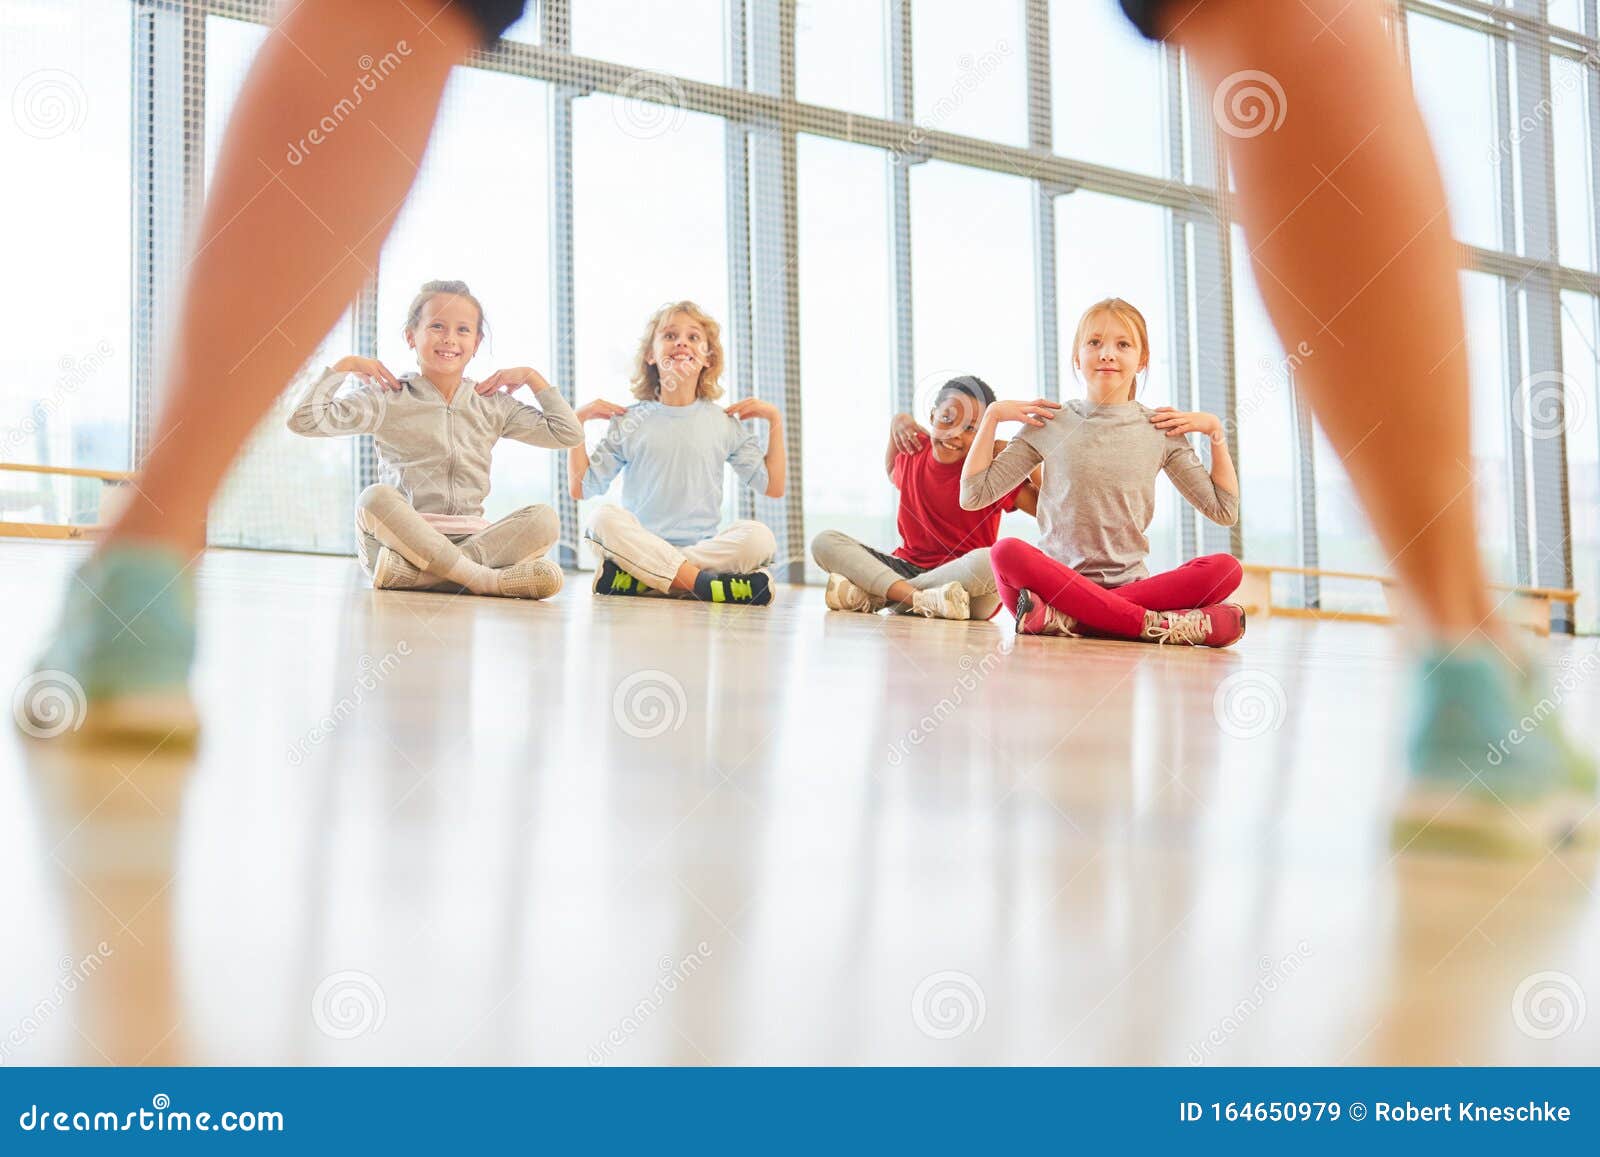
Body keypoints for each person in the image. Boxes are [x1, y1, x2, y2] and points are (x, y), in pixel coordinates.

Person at [961, 298, 1246, 647]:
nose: (1107, 354)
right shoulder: (1050, 422)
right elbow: (973, 496)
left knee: (1226, 569)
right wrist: (991, 416)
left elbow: (1223, 510)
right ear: (1076, 357)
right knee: (1004, 553)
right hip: (1055, 584)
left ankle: (1072, 622)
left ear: (1141, 360)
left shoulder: (1160, 429)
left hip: (1124, 588)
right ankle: (1155, 625)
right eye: (1094, 343)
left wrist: (1215, 432)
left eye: (1122, 344)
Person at [287, 279, 578, 599]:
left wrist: (533, 379)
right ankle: (485, 581)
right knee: (373, 499)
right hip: (399, 546)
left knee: (544, 520)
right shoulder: (389, 398)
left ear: (477, 342)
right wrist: (345, 367)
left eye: (463, 330)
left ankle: (426, 578)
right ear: (411, 336)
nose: (450, 339)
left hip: (466, 543)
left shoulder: (491, 403)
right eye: (437, 326)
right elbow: (304, 420)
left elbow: (566, 433)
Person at [569, 302, 783, 606]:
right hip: (639, 542)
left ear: (708, 358)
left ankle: (646, 579)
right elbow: (581, 487)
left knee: (760, 538)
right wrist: (575, 423)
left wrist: (775, 419)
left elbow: (772, 486)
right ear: (650, 355)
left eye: (693, 338)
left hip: (685, 550)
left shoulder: (724, 423)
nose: (681, 342)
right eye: (670, 335)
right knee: (600, 519)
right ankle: (702, 584)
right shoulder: (630, 421)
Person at [811, 375, 1038, 621]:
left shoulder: (992, 469)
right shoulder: (914, 449)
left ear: (985, 433)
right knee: (824, 541)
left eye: (971, 428)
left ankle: (884, 595)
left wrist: (1027, 460)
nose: (954, 434)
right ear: (932, 416)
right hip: (906, 568)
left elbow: (1048, 509)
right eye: (947, 419)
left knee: (992, 560)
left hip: (967, 588)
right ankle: (921, 600)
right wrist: (896, 423)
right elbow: (891, 470)